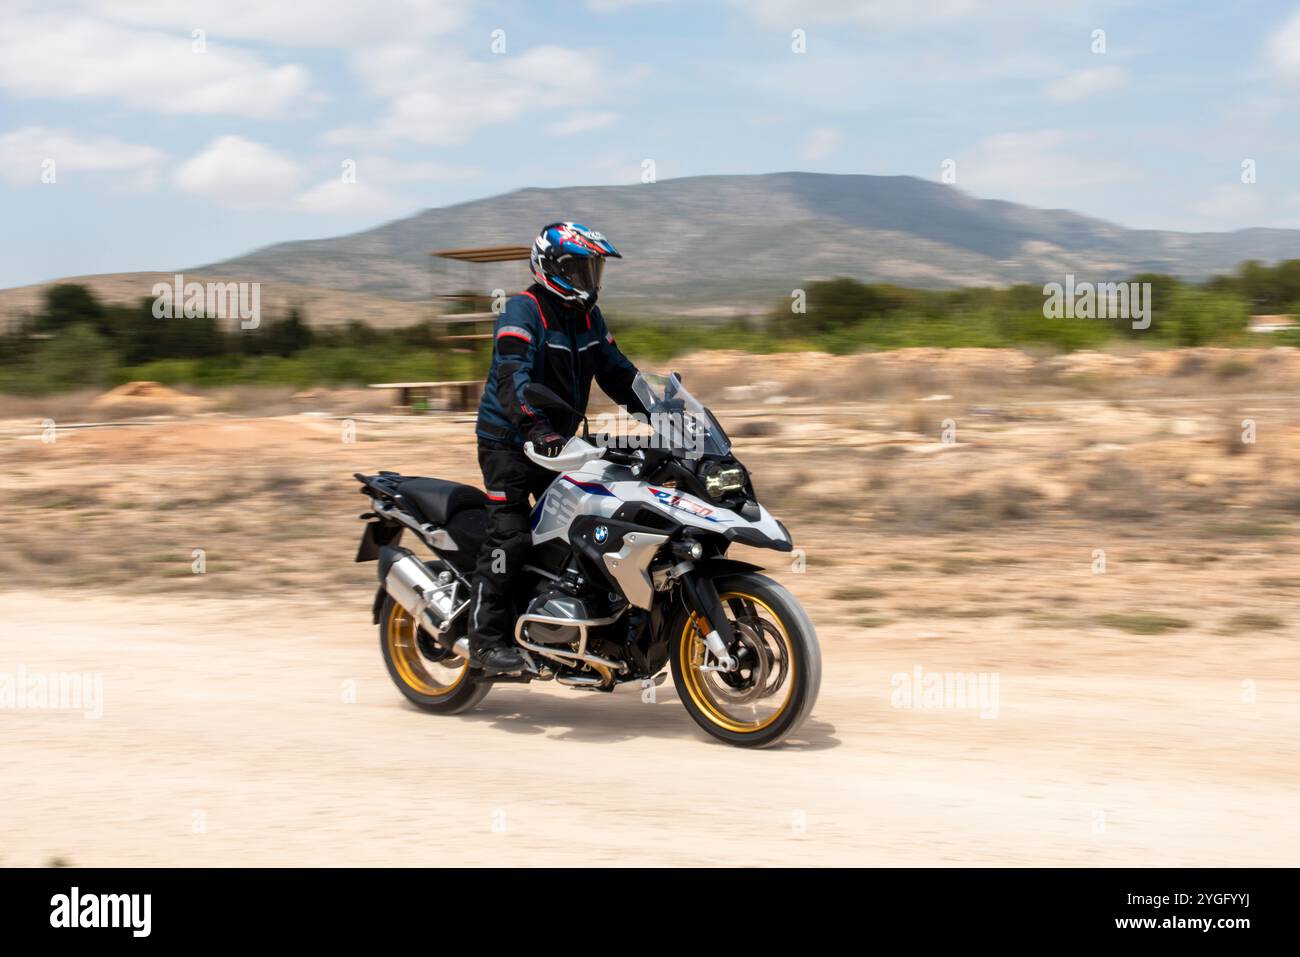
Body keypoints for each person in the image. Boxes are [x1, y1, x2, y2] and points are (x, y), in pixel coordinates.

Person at [469, 222, 645, 674]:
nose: (590, 279)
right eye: (582, 269)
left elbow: (617, 372)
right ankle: (485, 643)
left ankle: (567, 623)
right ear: (552, 268)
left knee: (584, 521)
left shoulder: (587, 317)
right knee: (510, 536)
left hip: (558, 443)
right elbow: (513, 377)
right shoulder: (521, 312)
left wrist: (662, 413)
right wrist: (535, 428)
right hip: (508, 441)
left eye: (594, 269)